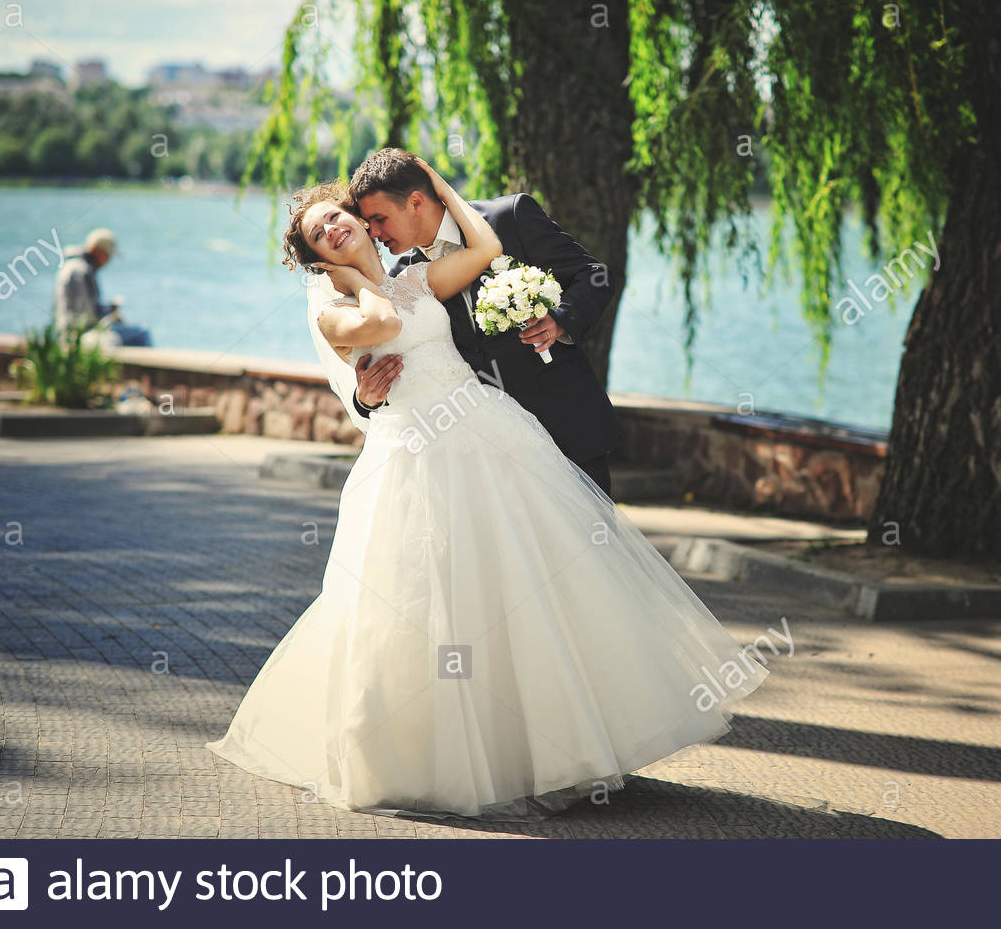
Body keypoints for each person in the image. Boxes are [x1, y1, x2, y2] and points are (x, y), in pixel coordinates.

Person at [204, 159, 769, 821]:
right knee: (438, 601)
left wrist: (447, 194)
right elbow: (382, 331)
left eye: (346, 216)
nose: (343, 227)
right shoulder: (341, 301)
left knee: (549, 586)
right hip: (418, 452)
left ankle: (570, 748)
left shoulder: (435, 259)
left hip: (499, 430)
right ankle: (459, 755)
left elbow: (514, 257)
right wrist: (350, 282)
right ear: (313, 257)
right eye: (320, 230)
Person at [346, 148, 623, 495]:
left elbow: (595, 275)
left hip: (567, 428)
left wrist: (559, 320)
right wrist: (366, 399)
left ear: (415, 202)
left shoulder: (510, 218)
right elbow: (401, 369)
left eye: (379, 218)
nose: (372, 232)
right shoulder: (403, 281)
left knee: (590, 546)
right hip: (487, 459)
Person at [52, 228, 153, 347]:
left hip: (64, 332)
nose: (108, 261)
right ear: (98, 251)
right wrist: (111, 310)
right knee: (142, 333)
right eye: (108, 256)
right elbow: (88, 317)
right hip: (80, 335)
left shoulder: (70, 265)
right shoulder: (83, 271)